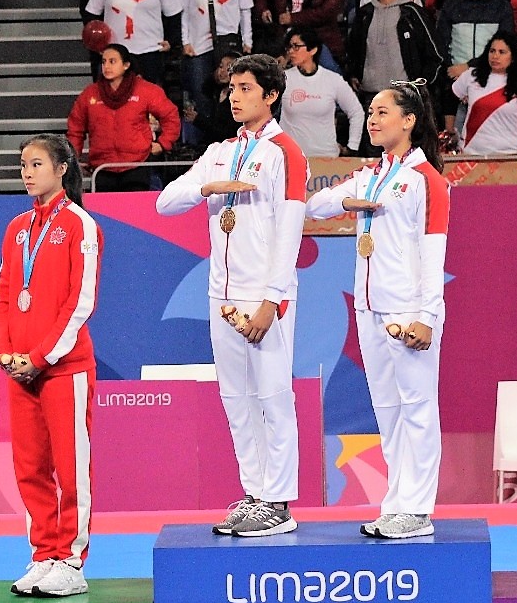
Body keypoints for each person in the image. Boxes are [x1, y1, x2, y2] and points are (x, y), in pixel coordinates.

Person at [155, 54, 308, 538]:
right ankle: (255, 492)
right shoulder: (218, 152)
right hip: (221, 295)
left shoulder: (285, 152)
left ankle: (278, 501)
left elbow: (290, 232)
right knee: (236, 399)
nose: (235, 97)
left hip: (263, 296)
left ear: (271, 95)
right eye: (232, 88)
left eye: (246, 88)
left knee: (273, 396)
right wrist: (208, 187)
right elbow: (164, 203)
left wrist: (272, 300)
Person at [306, 80, 450, 540]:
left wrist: (427, 317)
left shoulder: (427, 180)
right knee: (388, 410)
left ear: (409, 121)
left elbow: (433, 255)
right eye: (370, 112)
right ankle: (396, 503)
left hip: (408, 310)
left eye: (382, 112)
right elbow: (314, 205)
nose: (372, 119)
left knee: (418, 409)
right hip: (369, 308)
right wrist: (347, 200)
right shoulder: (371, 174)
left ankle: (418, 509)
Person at [0, 133, 103, 597]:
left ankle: (71, 561)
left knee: (71, 468)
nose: (27, 172)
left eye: (37, 164)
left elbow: (81, 303)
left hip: (63, 368)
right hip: (20, 370)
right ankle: (44, 554)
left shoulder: (81, 225)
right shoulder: (17, 228)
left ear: (62, 169)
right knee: (30, 467)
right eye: (23, 165)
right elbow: (3, 294)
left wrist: (39, 358)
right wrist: (4, 352)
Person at [346, 0, 443, 154]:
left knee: (407, 153)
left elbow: (435, 55)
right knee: (374, 154)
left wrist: (420, 85)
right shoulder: (364, 14)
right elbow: (353, 49)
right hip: (371, 97)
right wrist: (354, 74)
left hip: (403, 98)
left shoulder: (412, 14)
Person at [67, 43, 179, 191]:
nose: (106, 66)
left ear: (126, 65)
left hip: (137, 165)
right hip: (103, 167)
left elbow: (170, 116)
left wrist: (163, 143)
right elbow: (75, 129)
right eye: (104, 62)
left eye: (112, 61)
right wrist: (73, 158)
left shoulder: (145, 90)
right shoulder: (90, 94)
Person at [177, 0, 251, 140]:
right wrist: (185, 41)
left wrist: (247, 40)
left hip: (228, 45)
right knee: (202, 95)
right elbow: (183, 10)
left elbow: (245, 10)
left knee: (231, 96)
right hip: (198, 47)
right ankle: (203, 144)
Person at [447, 31, 517, 159]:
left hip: (510, 157)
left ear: (513, 57)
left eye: (502, 52)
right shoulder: (471, 76)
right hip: (471, 155)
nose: (495, 56)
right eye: (492, 51)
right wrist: (450, 131)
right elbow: (450, 98)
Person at [279, 27, 363, 157]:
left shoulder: (333, 79)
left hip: (326, 157)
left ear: (313, 50)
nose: (291, 51)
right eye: (289, 47)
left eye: (296, 46)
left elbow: (356, 112)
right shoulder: (284, 78)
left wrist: (352, 146)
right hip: (290, 157)